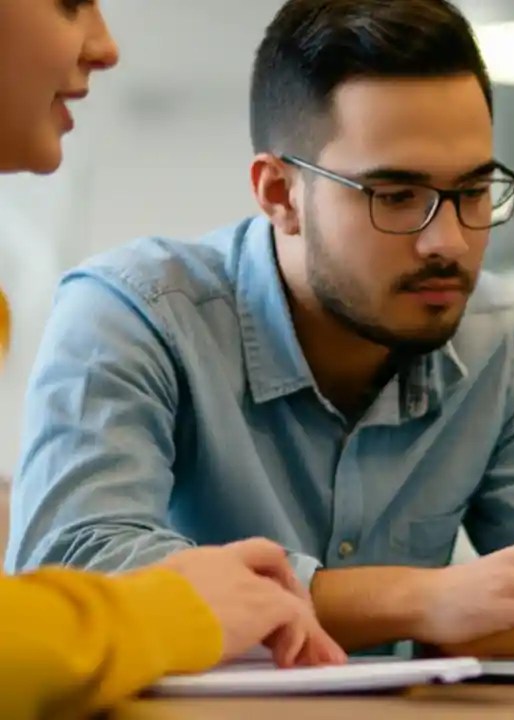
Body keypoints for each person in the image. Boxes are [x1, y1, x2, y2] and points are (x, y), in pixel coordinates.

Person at [8, 0, 514, 657]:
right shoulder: (135, 311)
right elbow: (76, 568)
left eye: (473, 192)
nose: (449, 242)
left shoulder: (500, 340)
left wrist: (462, 621)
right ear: (279, 194)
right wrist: (422, 602)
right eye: (396, 197)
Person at [0, 4, 345, 715]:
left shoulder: (503, 328)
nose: (106, 46)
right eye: (67, 1)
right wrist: (173, 611)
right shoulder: (128, 301)